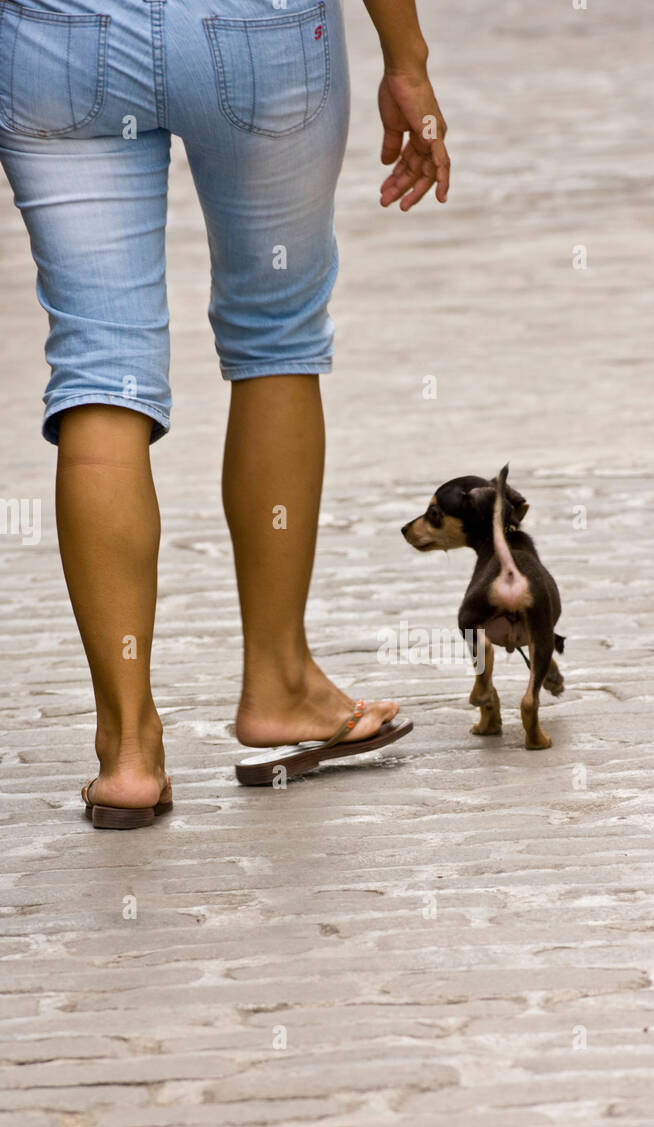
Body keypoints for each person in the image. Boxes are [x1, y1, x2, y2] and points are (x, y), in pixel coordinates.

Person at [0, 0, 449, 827]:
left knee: (101, 366)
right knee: (275, 334)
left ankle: (128, 751)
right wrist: (405, 59)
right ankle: (277, 679)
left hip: (57, 36)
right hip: (258, 32)